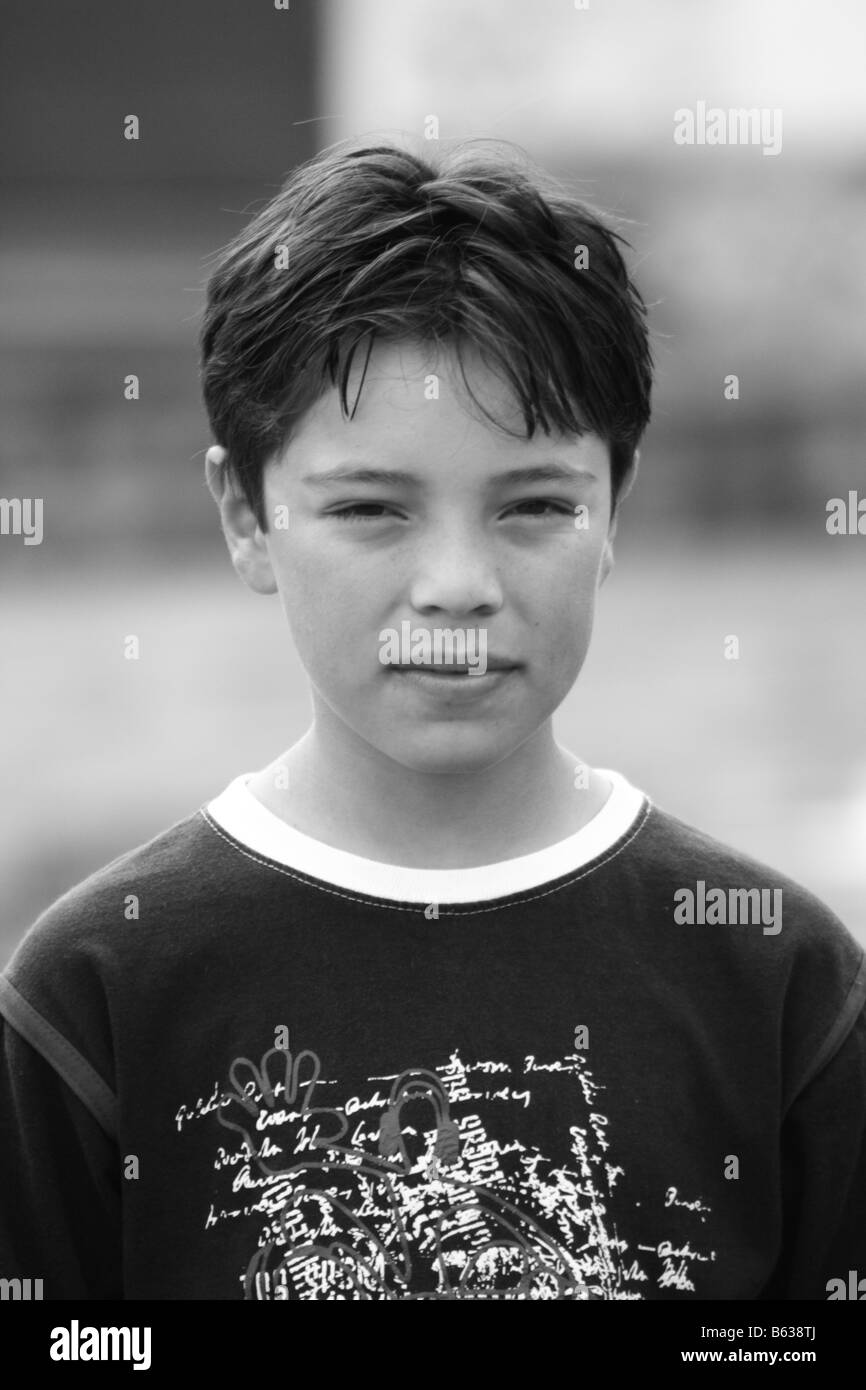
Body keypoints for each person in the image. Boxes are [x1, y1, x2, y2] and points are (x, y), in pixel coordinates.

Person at [1, 138, 863, 1301]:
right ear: (246, 516)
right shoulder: (94, 993)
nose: (455, 583)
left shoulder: (780, 981)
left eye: (535, 505)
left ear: (615, 509)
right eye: (368, 507)